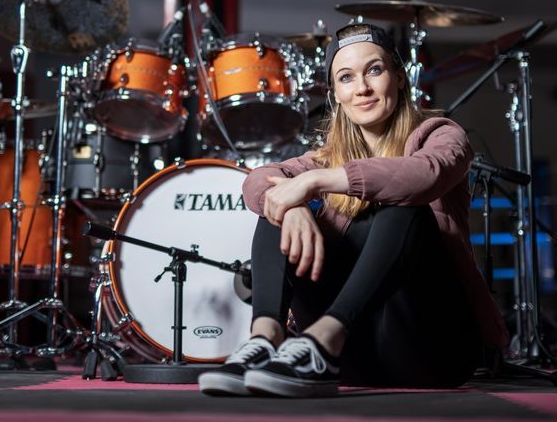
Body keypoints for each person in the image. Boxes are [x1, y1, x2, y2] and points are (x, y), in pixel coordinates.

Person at [198, 23, 508, 397]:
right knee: (277, 208)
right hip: (352, 357)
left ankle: (326, 336)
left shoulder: (441, 135)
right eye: (346, 77)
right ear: (335, 94)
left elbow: (424, 175)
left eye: (374, 70)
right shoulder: (325, 158)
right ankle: (264, 340)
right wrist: (292, 206)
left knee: (402, 210)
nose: (362, 87)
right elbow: (257, 182)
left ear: (399, 78)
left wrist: (315, 182)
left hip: (432, 349)